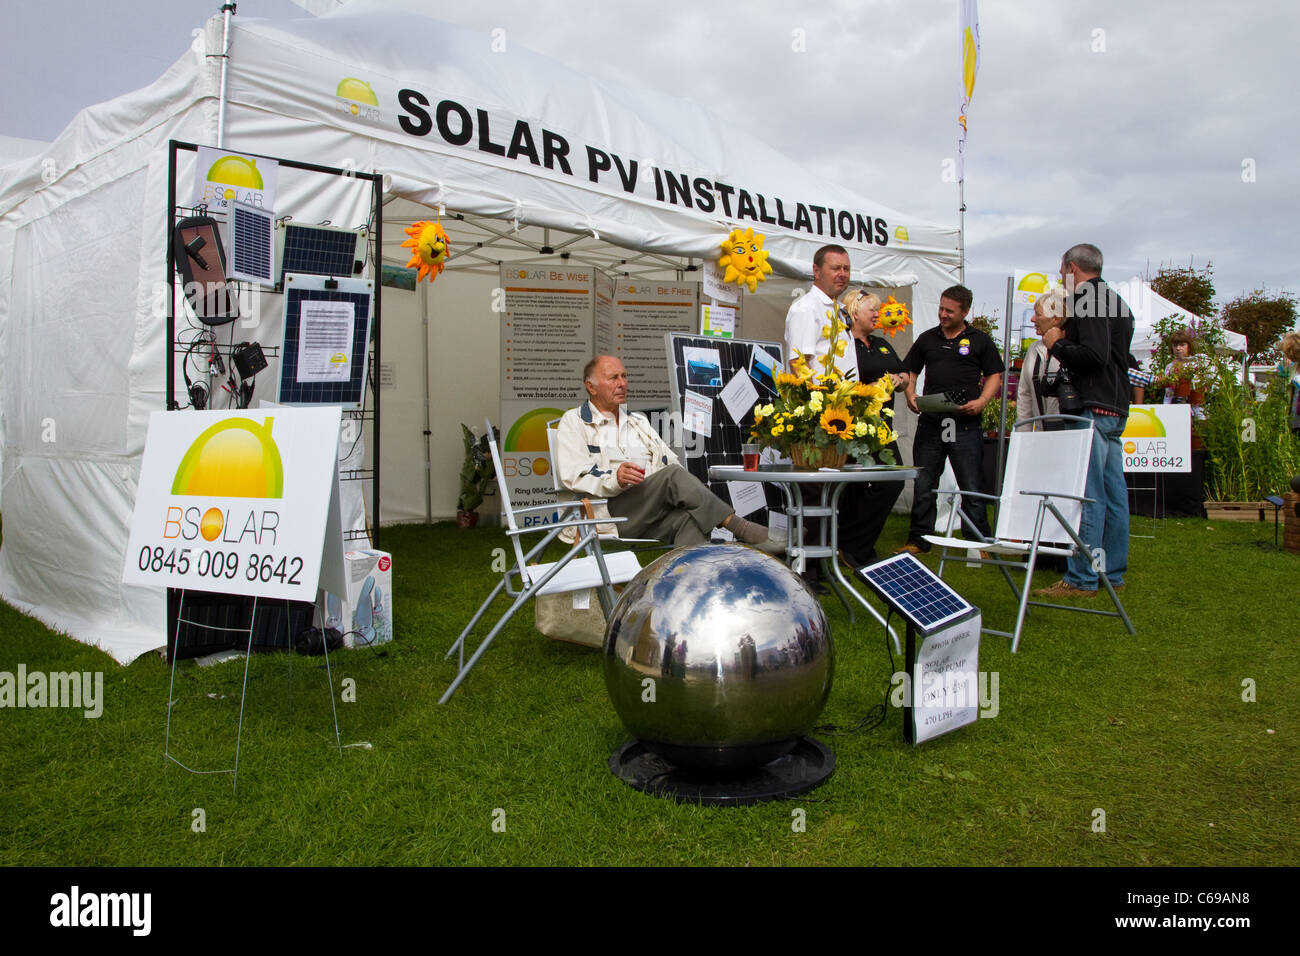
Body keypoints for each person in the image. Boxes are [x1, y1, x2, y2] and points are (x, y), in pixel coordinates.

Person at [555, 355, 770, 548]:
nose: (622, 383)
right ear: (591, 387)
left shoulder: (637, 421)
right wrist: (615, 478)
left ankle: (686, 584)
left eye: (624, 376)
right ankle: (741, 528)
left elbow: (668, 460)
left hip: (648, 511)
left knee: (689, 518)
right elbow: (574, 475)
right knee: (672, 475)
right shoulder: (574, 421)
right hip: (605, 515)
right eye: (613, 378)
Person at [1033, 243, 1135, 598]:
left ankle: (1082, 579)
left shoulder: (1088, 298)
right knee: (1112, 493)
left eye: (1062, 270)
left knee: (1089, 495)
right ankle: (1112, 572)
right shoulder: (1116, 300)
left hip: (1093, 403)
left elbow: (1094, 354)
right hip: (1114, 403)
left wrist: (1056, 343)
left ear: (1072, 268)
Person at [897, 284, 1004, 553]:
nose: (943, 315)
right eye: (941, 308)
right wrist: (911, 395)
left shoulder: (979, 340)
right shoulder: (927, 338)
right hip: (931, 423)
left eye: (949, 311)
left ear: (965, 311)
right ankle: (919, 539)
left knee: (971, 482)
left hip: (965, 424)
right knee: (924, 482)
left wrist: (981, 401)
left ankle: (978, 542)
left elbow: (994, 375)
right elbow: (909, 370)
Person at [837, 289, 910, 565]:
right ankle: (852, 547)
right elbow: (840, 382)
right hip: (855, 425)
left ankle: (852, 542)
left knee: (892, 480)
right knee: (853, 487)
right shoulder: (844, 344)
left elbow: (904, 372)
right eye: (872, 310)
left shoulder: (880, 343)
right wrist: (870, 388)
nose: (878, 315)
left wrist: (899, 380)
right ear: (855, 312)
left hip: (883, 427)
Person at [784, 244, 856, 380]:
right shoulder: (806, 308)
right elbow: (798, 364)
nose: (842, 274)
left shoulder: (838, 308)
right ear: (816, 271)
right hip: (821, 400)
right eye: (835, 268)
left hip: (843, 399)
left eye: (846, 269)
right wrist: (816, 400)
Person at [1017, 289, 1069, 428]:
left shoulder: (1071, 349)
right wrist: (1024, 434)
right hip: (1041, 433)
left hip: (1069, 432)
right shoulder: (1034, 349)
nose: (1032, 319)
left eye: (1038, 314)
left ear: (1056, 319)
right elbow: (1024, 395)